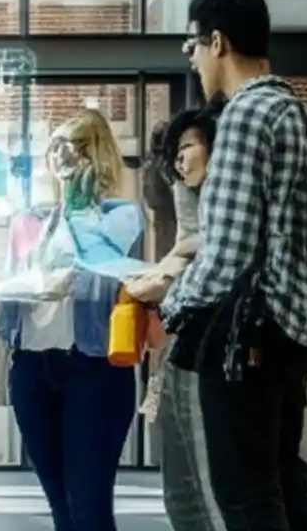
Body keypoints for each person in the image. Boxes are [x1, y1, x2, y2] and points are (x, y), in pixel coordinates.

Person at [159, 0, 307, 531]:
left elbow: (229, 253)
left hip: (247, 337)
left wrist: (171, 303)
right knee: (284, 484)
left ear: (217, 42)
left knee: (244, 495)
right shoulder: (304, 116)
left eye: (192, 46)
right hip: (296, 334)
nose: (193, 61)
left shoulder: (244, 115)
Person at [0, 108, 143, 531]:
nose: (62, 154)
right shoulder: (29, 220)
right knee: (60, 505)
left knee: (89, 508)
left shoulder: (120, 215)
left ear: (97, 154)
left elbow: (89, 260)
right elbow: (19, 285)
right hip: (31, 368)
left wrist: (77, 200)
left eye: (76, 145)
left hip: (91, 368)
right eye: (56, 145)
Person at [124, 100, 224, 424]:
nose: (179, 161)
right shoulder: (187, 188)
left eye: (186, 148)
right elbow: (186, 245)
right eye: (174, 154)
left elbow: (202, 251)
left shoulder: (226, 194)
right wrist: (154, 278)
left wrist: (163, 282)